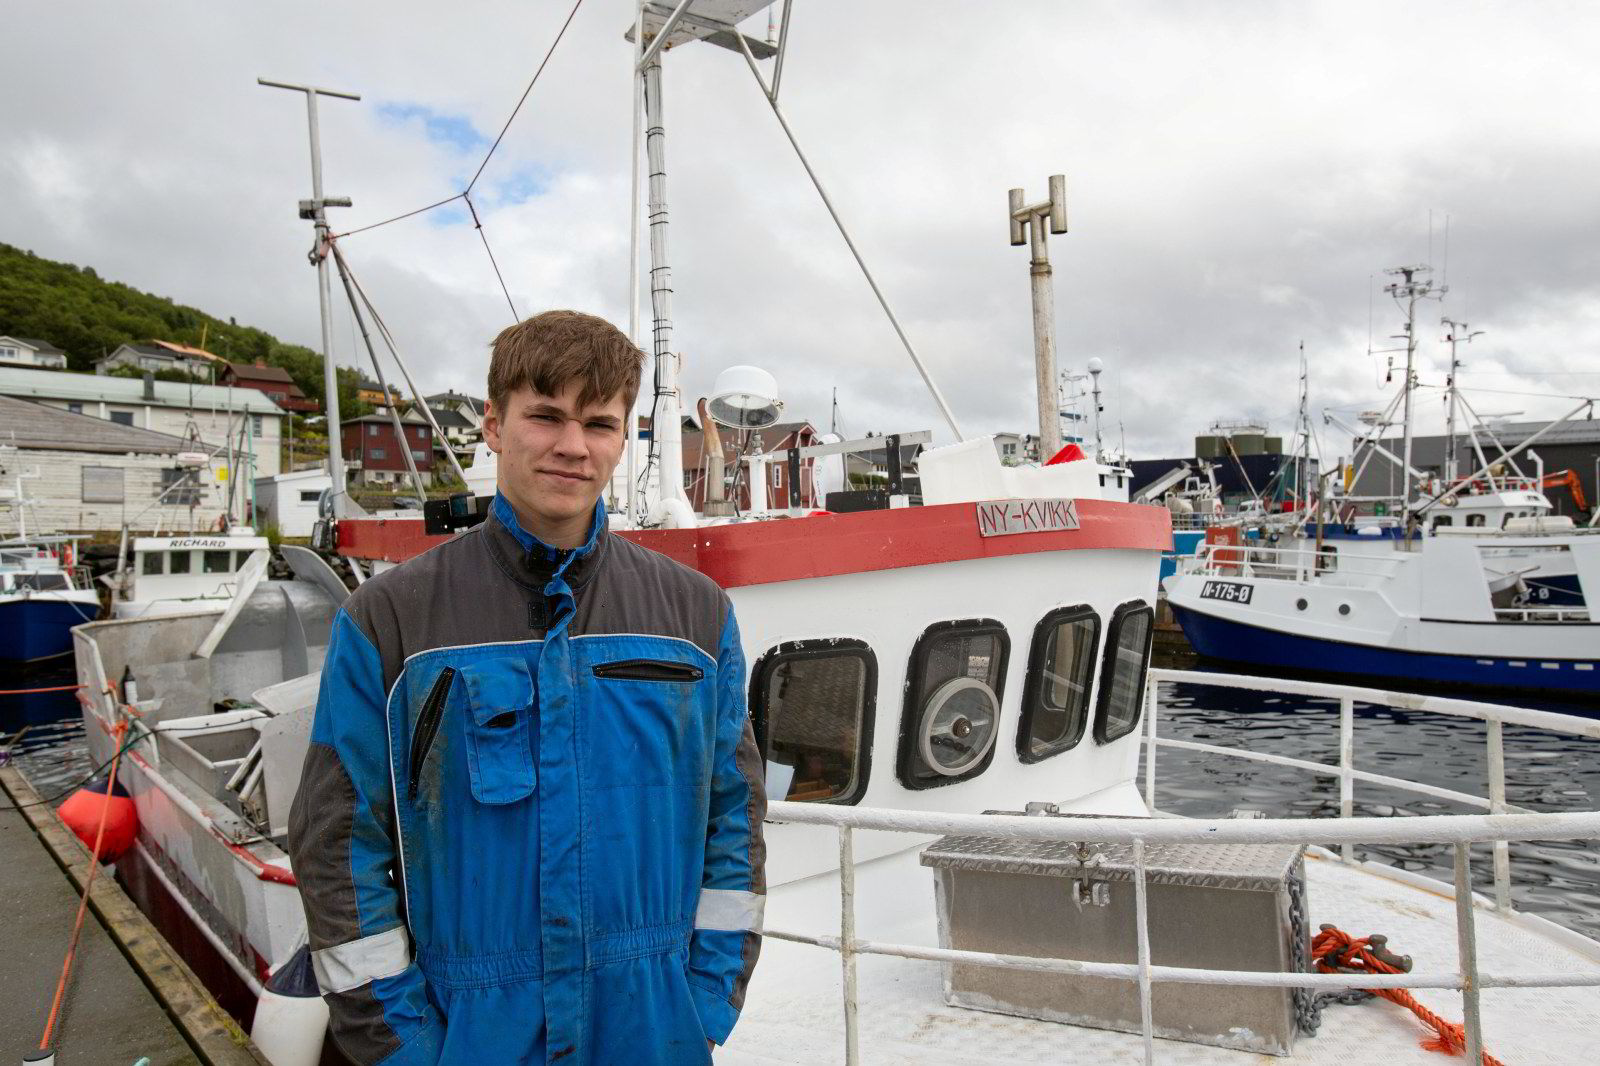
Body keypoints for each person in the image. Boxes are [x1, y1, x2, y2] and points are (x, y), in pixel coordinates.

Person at [288, 310, 766, 1065]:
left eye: (599, 424)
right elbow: (339, 843)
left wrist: (706, 999)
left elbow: (734, 819)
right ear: (492, 424)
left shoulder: (698, 614)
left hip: (656, 1028)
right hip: (468, 1034)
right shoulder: (389, 620)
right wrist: (404, 1048)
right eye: (545, 416)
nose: (573, 447)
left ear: (624, 436)